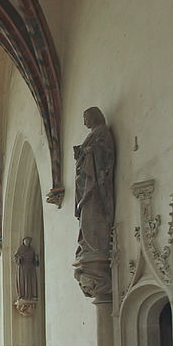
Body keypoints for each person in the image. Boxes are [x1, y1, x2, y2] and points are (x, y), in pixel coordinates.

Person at [74, 106, 115, 258]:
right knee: (85, 217)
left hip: (94, 185)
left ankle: (96, 247)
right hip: (86, 184)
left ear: (94, 117)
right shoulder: (94, 133)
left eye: (86, 118)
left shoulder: (101, 131)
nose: (85, 122)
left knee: (91, 215)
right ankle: (87, 246)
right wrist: (82, 153)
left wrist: (88, 151)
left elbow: (106, 152)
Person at [14, 236, 39, 303]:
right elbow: (16, 258)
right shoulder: (20, 249)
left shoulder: (32, 250)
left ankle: (32, 296)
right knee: (23, 281)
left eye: (28, 241)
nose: (27, 242)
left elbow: (36, 262)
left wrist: (36, 259)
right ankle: (22, 296)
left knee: (31, 281)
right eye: (26, 241)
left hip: (30, 268)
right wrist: (19, 259)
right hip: (23, 268)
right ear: (23, 241)